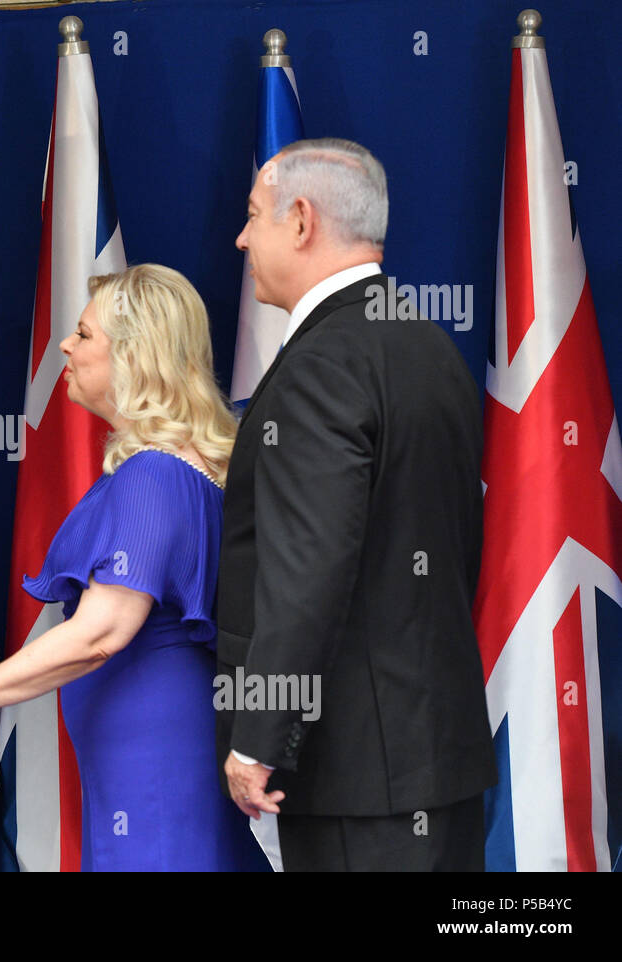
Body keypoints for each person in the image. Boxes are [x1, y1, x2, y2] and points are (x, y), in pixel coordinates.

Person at [0, 264, 270, 871]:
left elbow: (102, 632)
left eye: (83, 334)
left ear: (134, 356)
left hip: (151, 761)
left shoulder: (153, 475)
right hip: (149, 754)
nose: (66, 347)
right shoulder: (185, 466)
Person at [217, 137, 497, 871]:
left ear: (301, 221)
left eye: (254, 216)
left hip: (358, 783)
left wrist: (257, 739)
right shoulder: (430, 347)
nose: (242, 237)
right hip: (439, 758)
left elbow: (307, 573)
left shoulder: (320, 366)